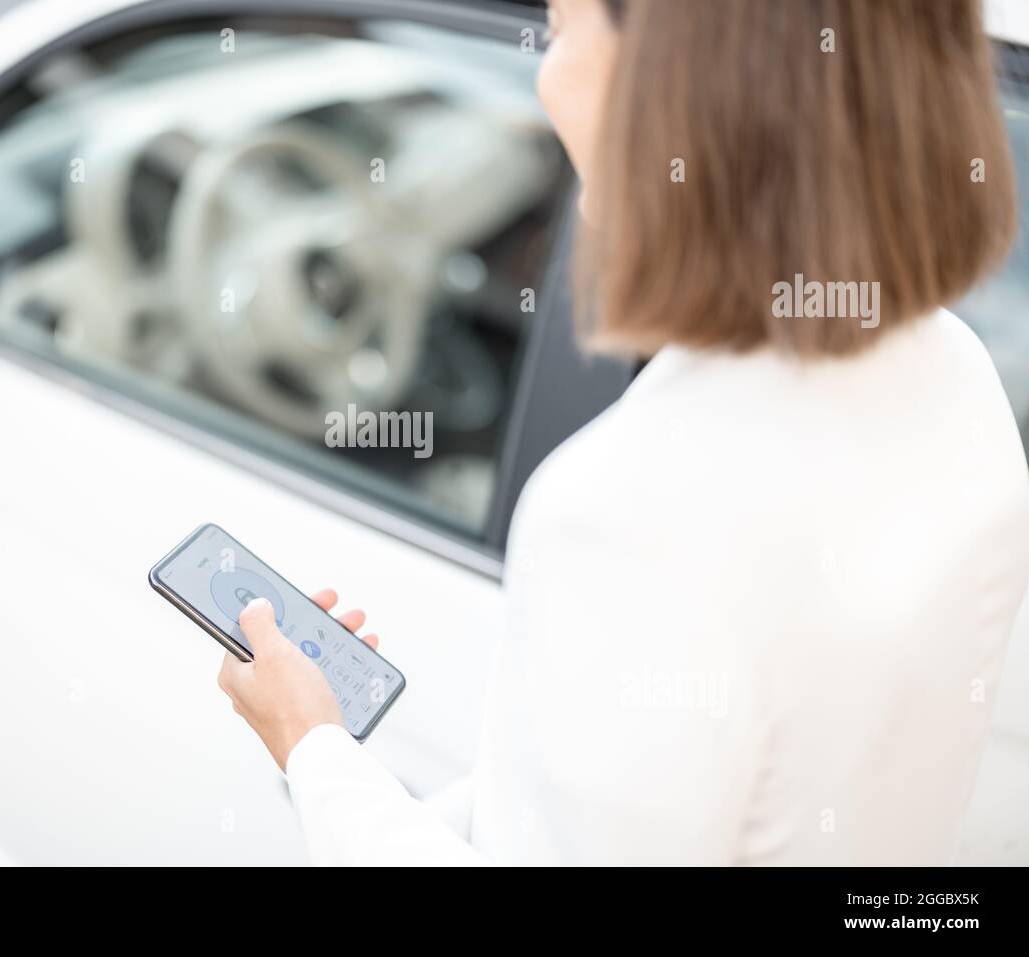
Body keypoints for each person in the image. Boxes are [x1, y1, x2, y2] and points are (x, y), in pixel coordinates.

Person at [217, 0, 1029, 865]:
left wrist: (310, 743)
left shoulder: (627, 516)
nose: (544, 74)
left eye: (561, 30)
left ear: (665, 86)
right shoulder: (959, 378)